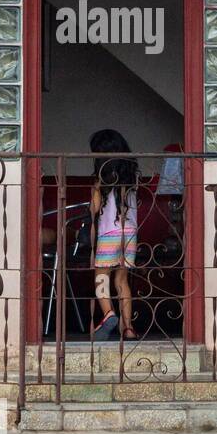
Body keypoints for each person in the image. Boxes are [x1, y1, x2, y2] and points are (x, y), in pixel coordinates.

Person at [89, 128, 140, 342]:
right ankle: (128, 328)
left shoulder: (103, 178)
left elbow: (95, 208)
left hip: (109, 232)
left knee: (102, 275)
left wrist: (95, 191)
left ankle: (108, 313)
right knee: (122, 280)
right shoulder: (132, 174)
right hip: (130, 232)